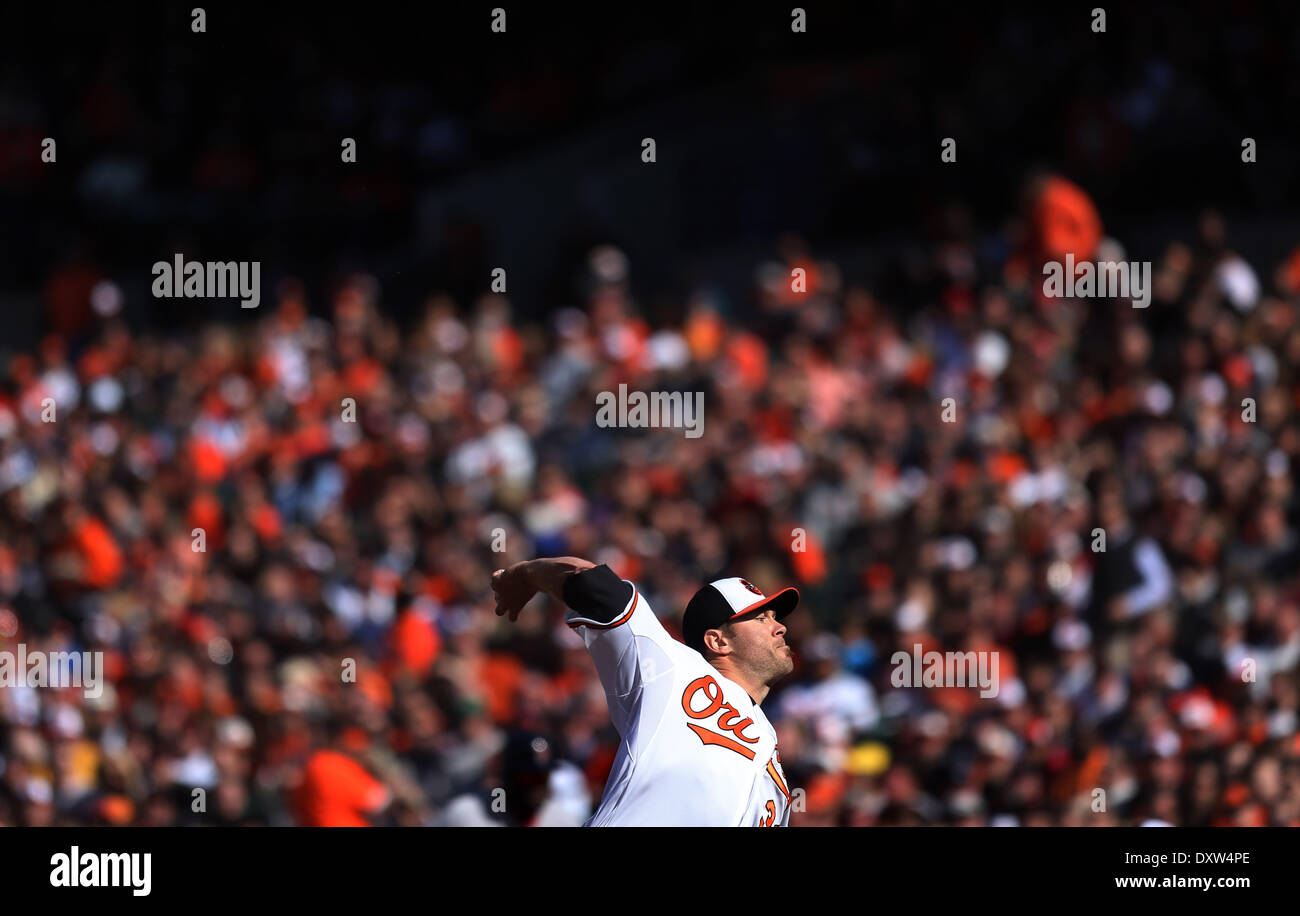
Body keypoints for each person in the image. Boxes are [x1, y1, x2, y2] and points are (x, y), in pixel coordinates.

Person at [491, 557, 799, 826]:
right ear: (718, 641)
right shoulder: (675, 670)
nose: (779, 627)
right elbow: (596, 585)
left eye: (774, 617)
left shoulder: (771, 753)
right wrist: (525, 574)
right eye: (761, 618)